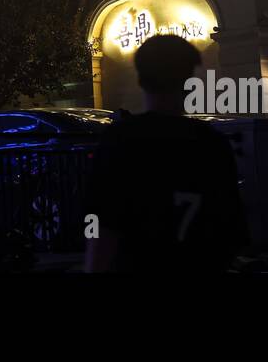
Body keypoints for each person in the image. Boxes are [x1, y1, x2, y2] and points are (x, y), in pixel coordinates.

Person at [84, 34, 247, 272]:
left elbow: (101, 226)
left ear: (140, 80)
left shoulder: (118, 141)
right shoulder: (211, 144)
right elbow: (230, 229)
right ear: (188, 81)